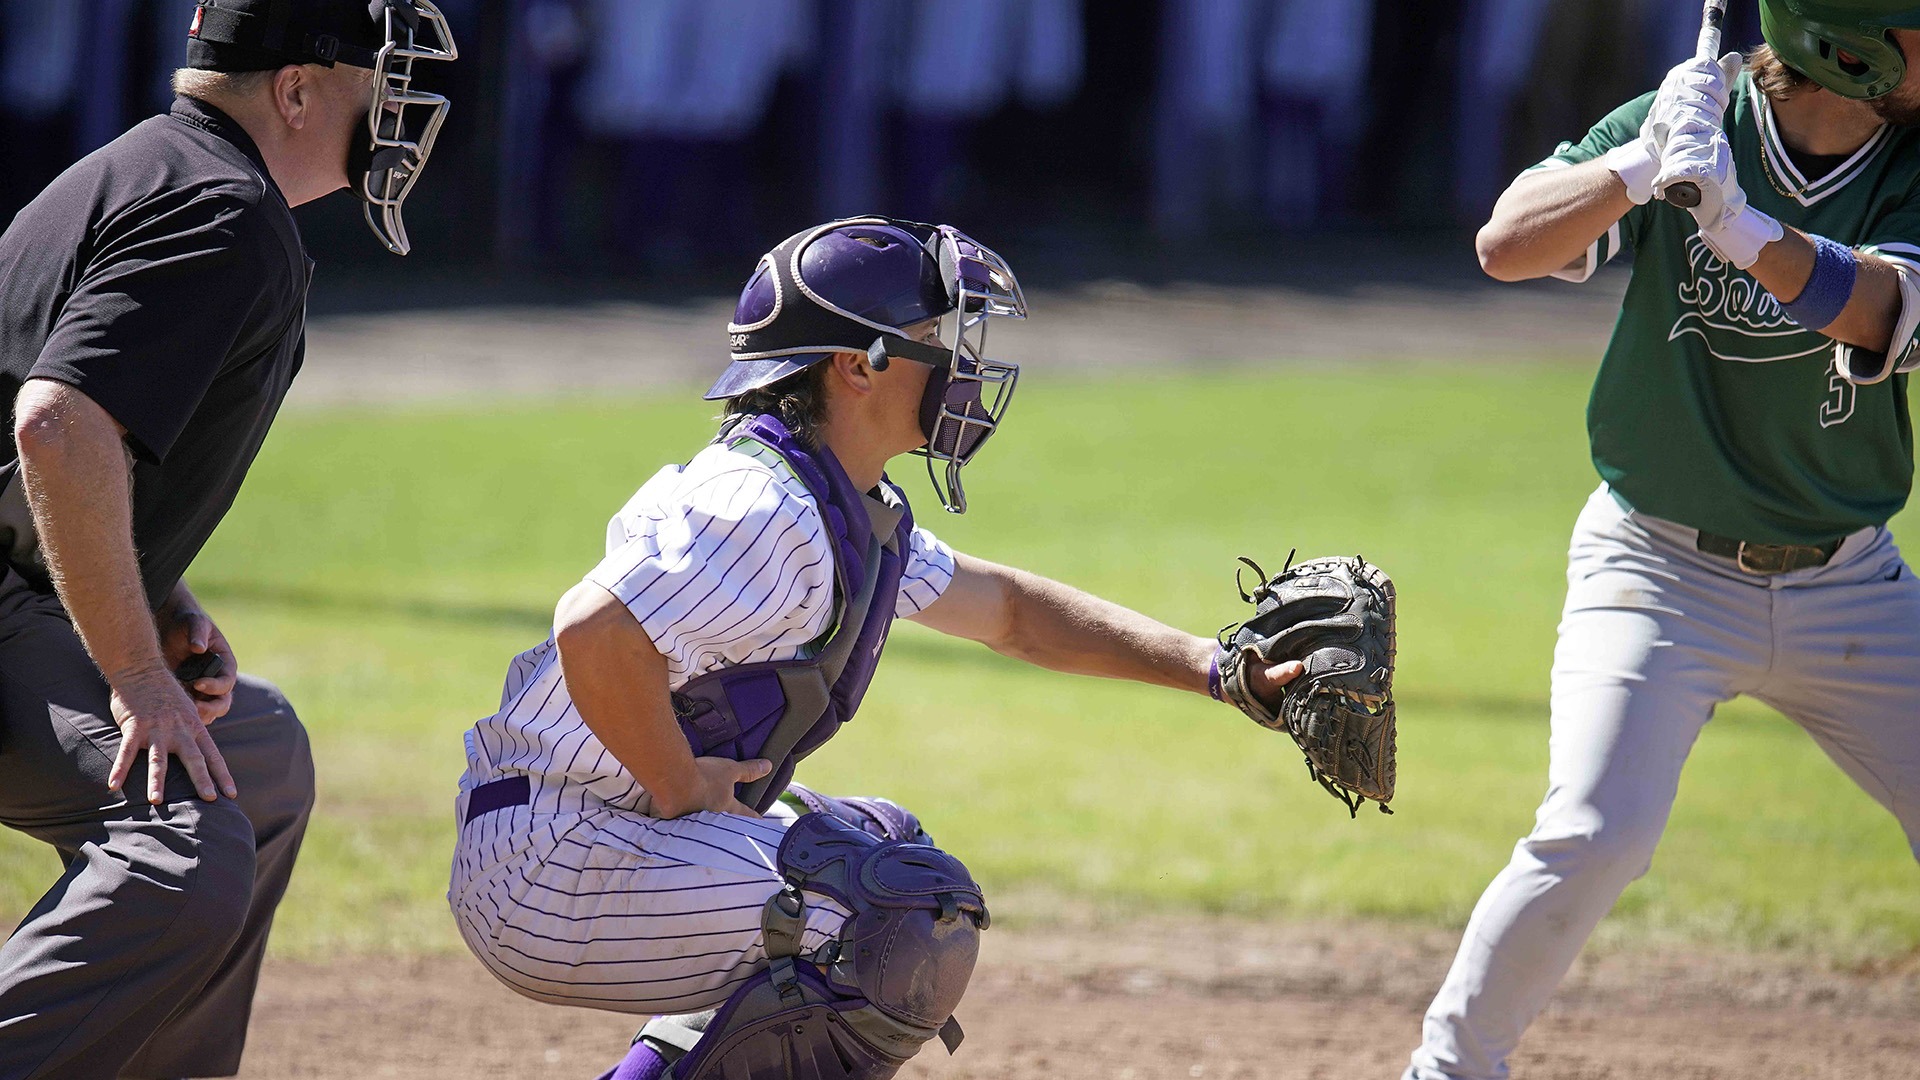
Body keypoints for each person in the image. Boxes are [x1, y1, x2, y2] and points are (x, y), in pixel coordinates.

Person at [445, 217, 1305, 1080]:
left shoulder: (839, 500)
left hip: (594, 832)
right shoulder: (763, 506)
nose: (959, 365)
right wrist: (676, 784)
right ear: (858, 364)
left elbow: (1010, 614)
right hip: (550, 859)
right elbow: (594, 627)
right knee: (898, 918)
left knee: (887, 848)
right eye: (932, 340)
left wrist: (1216, 668)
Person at [1407, 4, 1920, 1078]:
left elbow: (1876, 308)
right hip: (1656, 572)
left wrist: (1735, 223)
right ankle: (1446, 1072)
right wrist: (1635, 169)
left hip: (1850, 583)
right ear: (1850, 44)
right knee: (1597, 834)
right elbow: (1505, 244)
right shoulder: (1694, 115)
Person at [0, 2, 456, 1077]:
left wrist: (152, 593)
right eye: (371, 82)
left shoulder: (146, 169)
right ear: (295, 91)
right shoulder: (222, 210)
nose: (393, 110)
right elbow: (56, 425)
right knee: (180, 858)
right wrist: (137, 675)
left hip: (14, 596)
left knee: (257, 761)